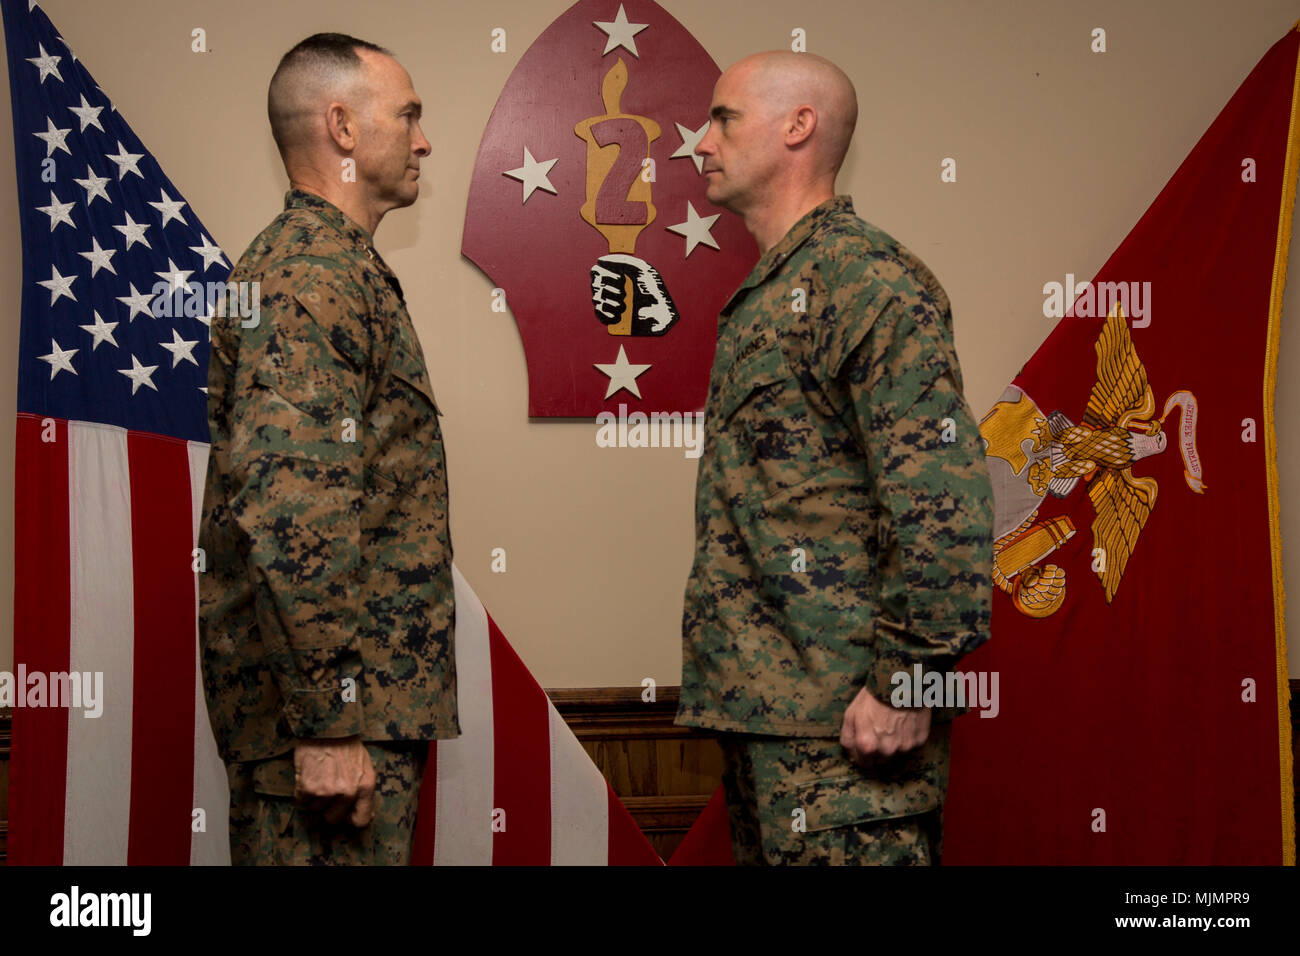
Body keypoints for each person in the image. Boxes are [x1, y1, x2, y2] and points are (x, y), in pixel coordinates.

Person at [675, 50, 994, 865]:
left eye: (723, 118)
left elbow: (942, 494)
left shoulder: (866, 281)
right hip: (771, 716)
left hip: (851, 730)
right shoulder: (769, 293)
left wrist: (906, 681)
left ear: (798, 126)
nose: (698, 143)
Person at [199, 33, 458, 865]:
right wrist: (327, 722)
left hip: (357, 718)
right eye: (409, 115)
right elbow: (293, 513)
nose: (424, 140)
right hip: (338, 729)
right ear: (343, 128)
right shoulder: (310, 276)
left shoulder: (333, 267)